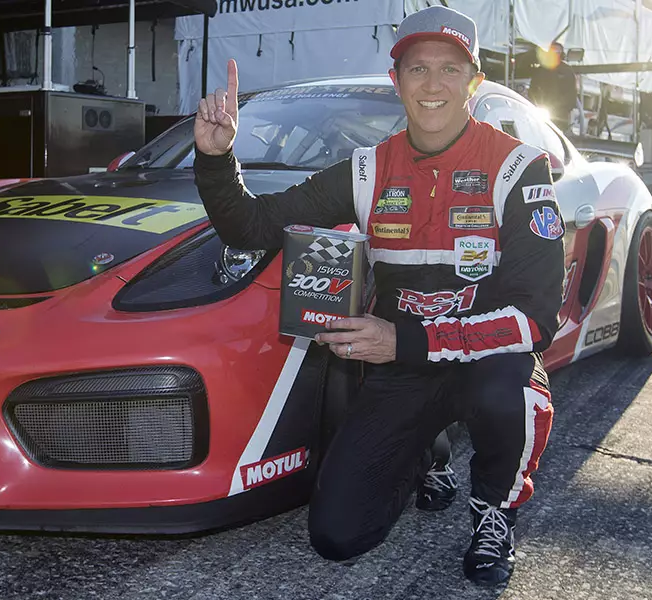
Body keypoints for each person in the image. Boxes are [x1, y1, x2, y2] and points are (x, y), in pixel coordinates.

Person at [193, 5, 564, 586]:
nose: (433, 84)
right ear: (397, 81)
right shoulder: (367, 170)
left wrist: (405, 340)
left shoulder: (518, 167)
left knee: (508, 396)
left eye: (449, 69)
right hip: (404, 366)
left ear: (474, 81)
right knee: (338, 536)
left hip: (484, 357)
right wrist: (217, 160)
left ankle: (495, 510)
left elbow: (537, 316)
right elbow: (255, 228)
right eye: (418, 69)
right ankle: (428, 450)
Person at [529, 42, 578, 133]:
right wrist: (536, 103)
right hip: (543, 108)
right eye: (552, 51)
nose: (554, 53)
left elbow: (572, 93)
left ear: (561, 54)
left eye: (557, 51)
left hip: (561, 113)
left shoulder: (567, 71)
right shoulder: (541, 70)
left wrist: (565, 108)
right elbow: (533, 89)